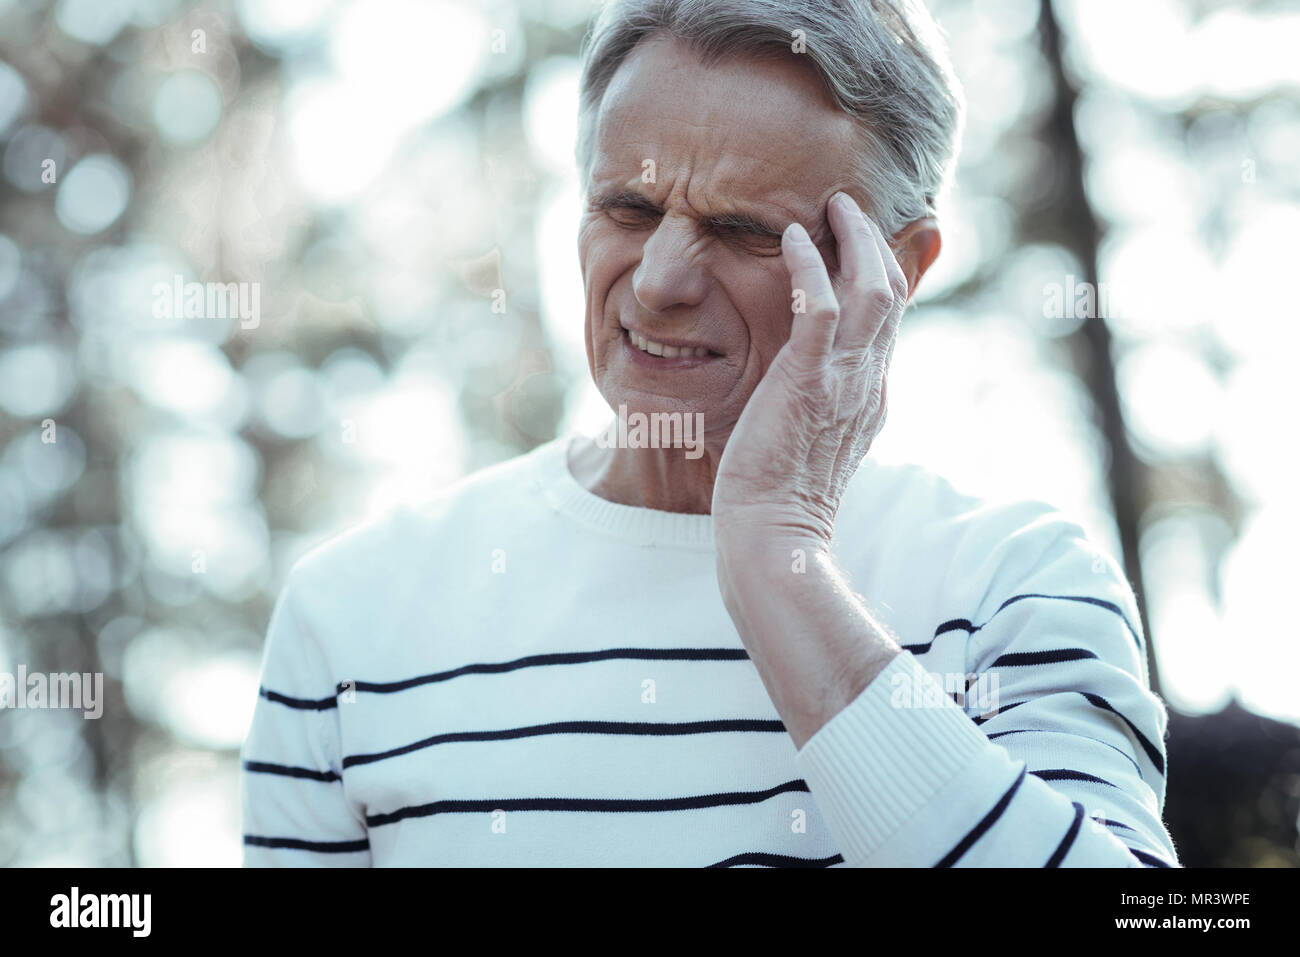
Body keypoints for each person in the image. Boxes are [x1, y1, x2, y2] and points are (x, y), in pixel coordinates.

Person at [240, 0, 1179, 867]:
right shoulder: (351, 615)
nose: (657, 281)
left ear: (895, 267)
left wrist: (781, 564)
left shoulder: (1015, 581)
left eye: (740, 229)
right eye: (629, 208)